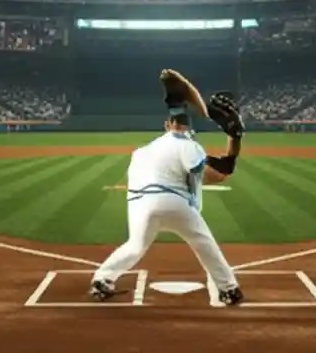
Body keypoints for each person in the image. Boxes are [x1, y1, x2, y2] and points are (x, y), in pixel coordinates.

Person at [90, 69, 244, 306]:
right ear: (186, 127)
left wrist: (176, 91)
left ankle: (103, 279)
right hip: (173, 202)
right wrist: (234, 139)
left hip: (139, 204)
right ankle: (229, 289)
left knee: (135, 245)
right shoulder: (188, 145)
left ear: (167, 124)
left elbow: (178, 111)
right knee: (203, 243)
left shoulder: (141, 151)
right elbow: (218, 174)